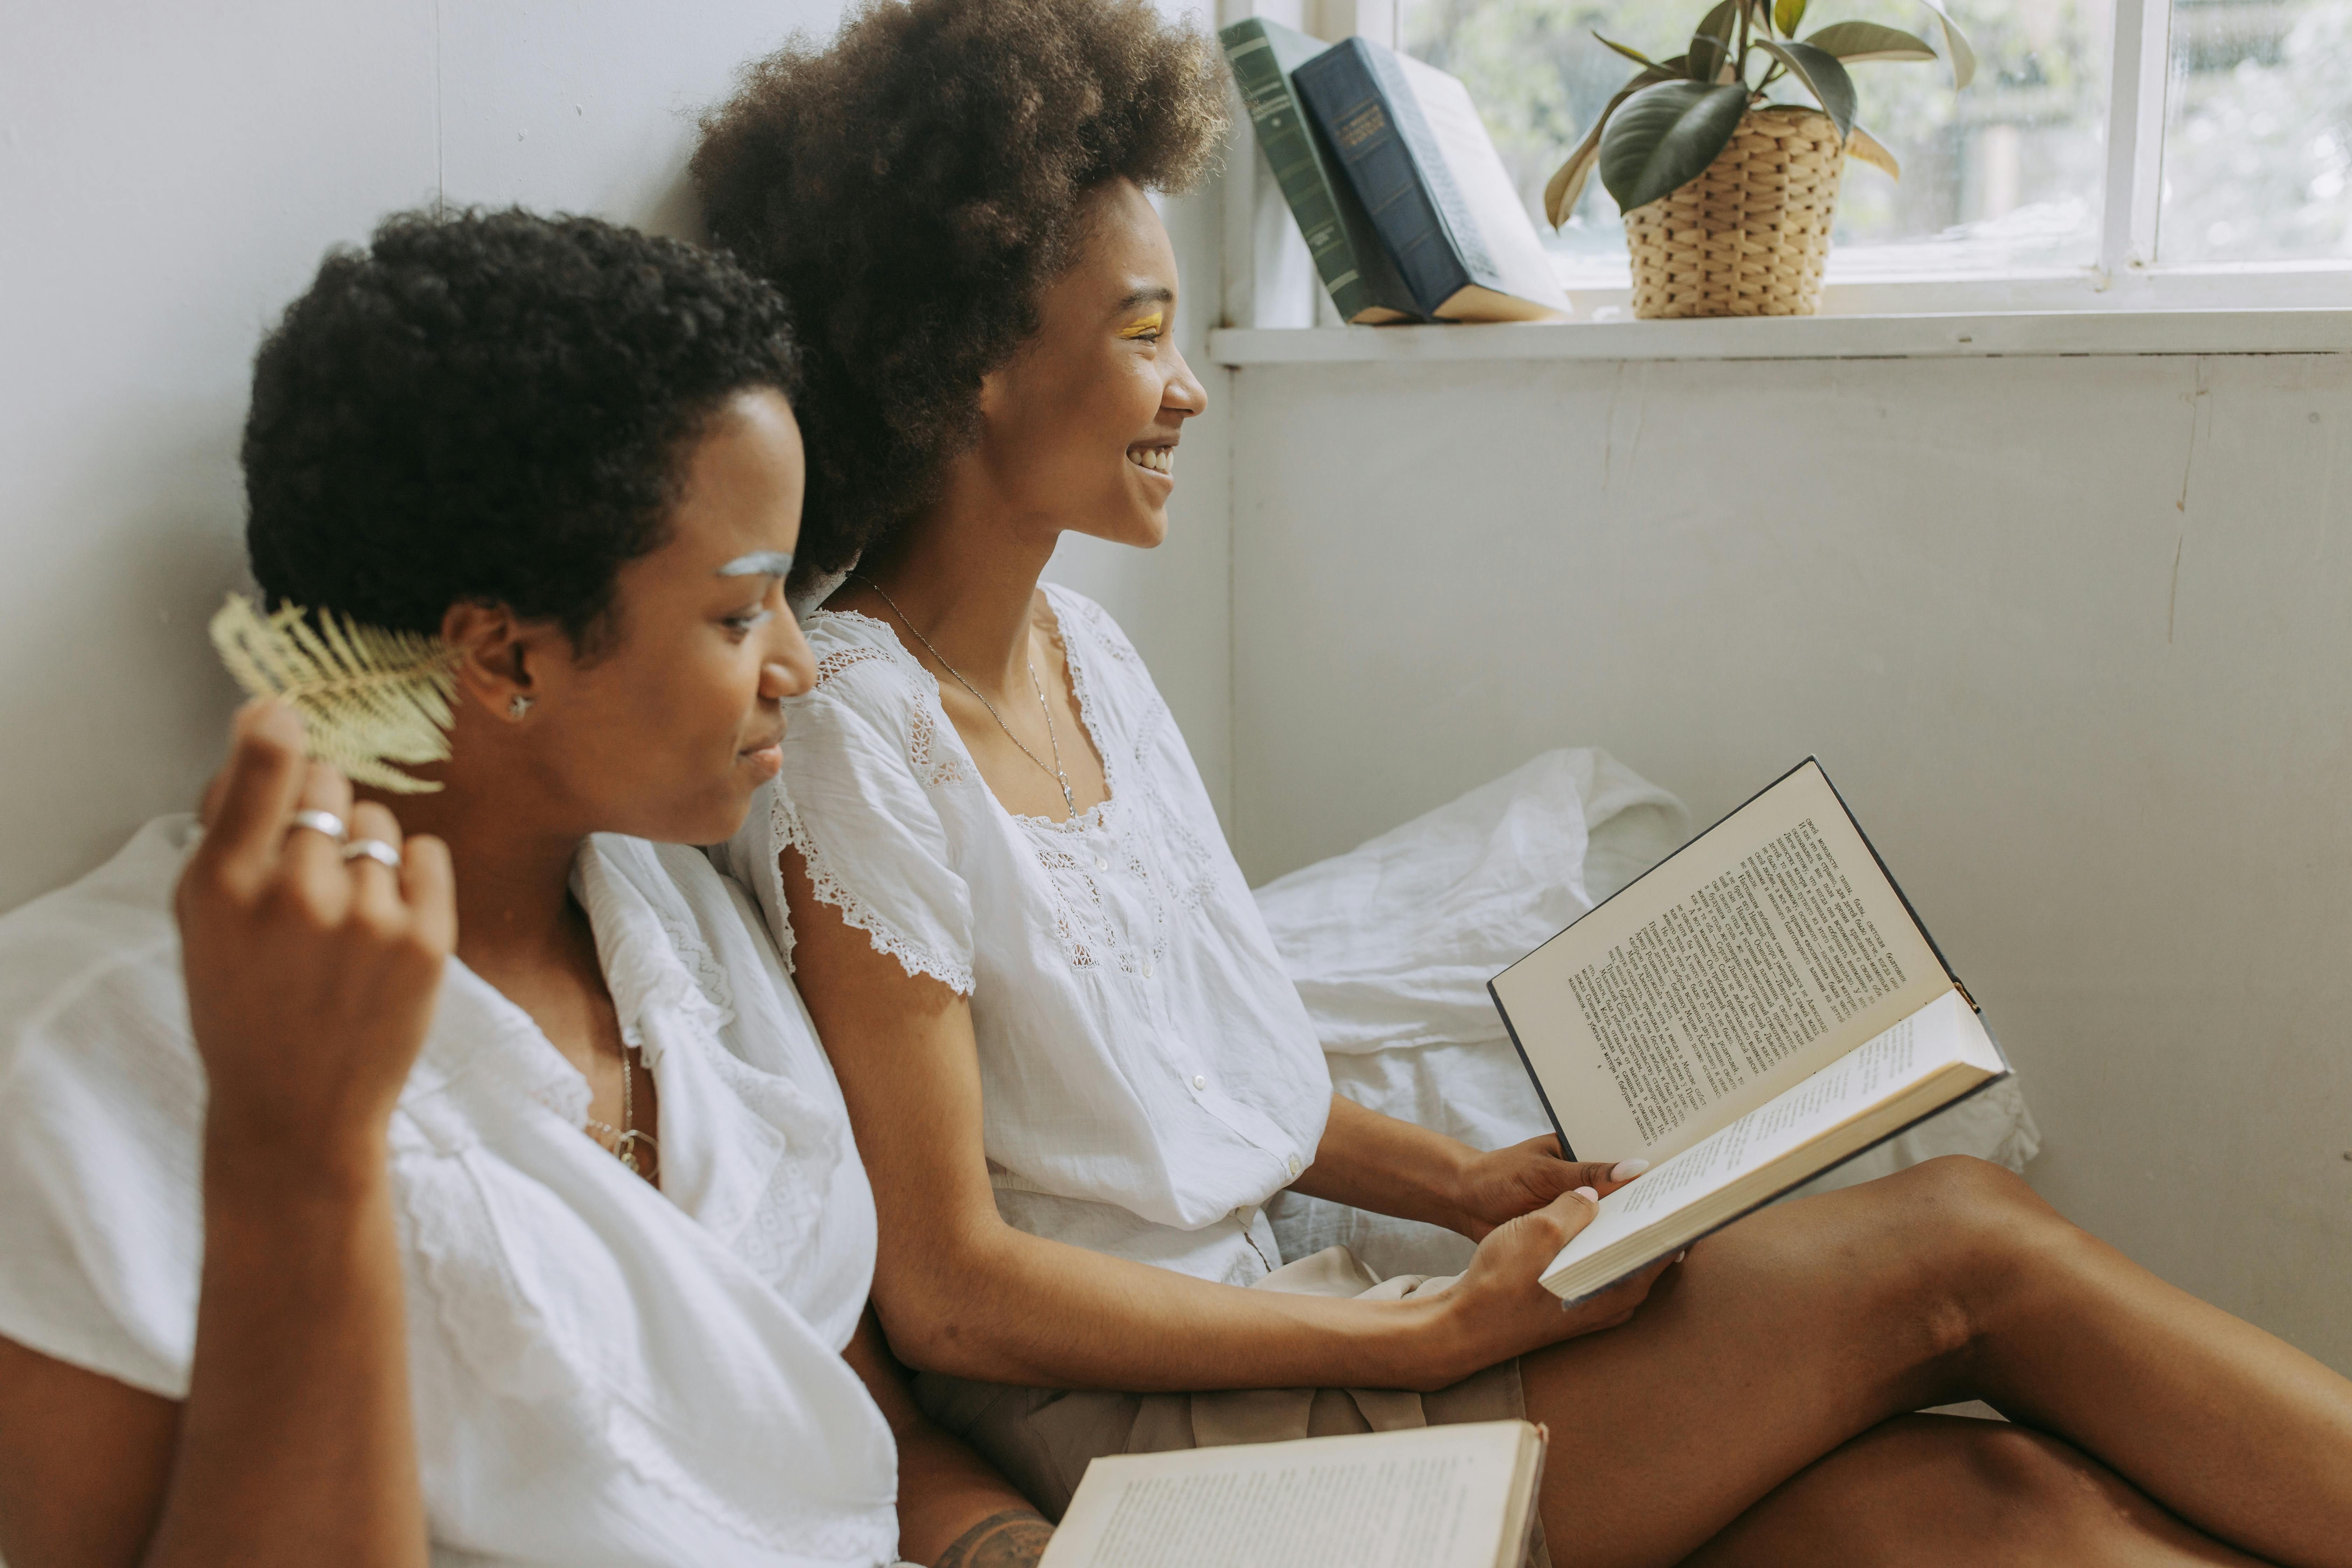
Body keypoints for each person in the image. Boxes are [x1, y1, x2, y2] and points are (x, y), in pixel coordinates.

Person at [691, 4, 2352, 1565]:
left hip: (1303, 1323)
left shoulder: (1090, 660)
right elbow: (956, 1292)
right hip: (1169, 1431)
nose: (1187, 386)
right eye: (1143, 336)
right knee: (1963, 1245)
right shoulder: (851, 731)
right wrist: (1430, 1329)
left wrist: (1474, 1187)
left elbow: (1211, 1083)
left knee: (1997, 1501)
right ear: (972, 362)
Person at [0, 209, 1052, 1568]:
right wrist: (300, 1157)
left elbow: (854, 1450)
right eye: (742, 613)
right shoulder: (88, 1059)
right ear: (503, 658)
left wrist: (1016, 1547)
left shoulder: (670, 922)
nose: (797, 663)